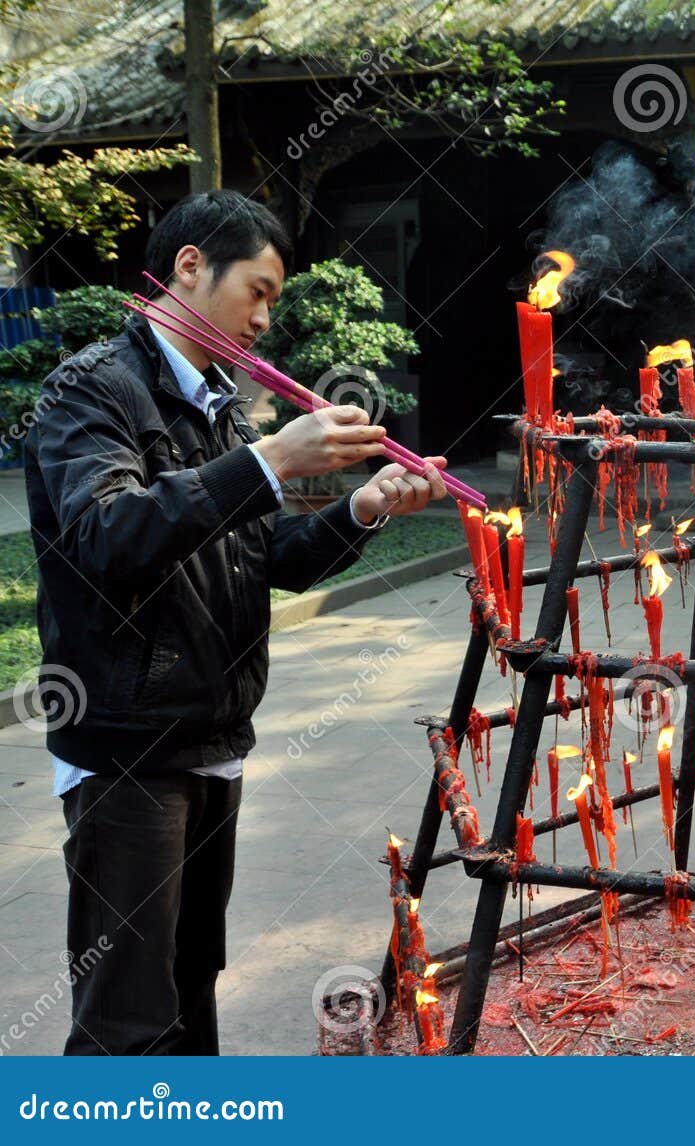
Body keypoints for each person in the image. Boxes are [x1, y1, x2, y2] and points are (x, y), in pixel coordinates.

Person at [25, 189, 450, 1055]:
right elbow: (108, 536)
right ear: (190, 266)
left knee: (189, 995)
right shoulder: (92, 390)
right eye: (258, 291)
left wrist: (362, 509)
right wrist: (266, 460)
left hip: (212, 738)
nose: (264, 319)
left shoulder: (216, 406)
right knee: (127, 1022)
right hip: (129, 750)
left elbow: (268, 561)